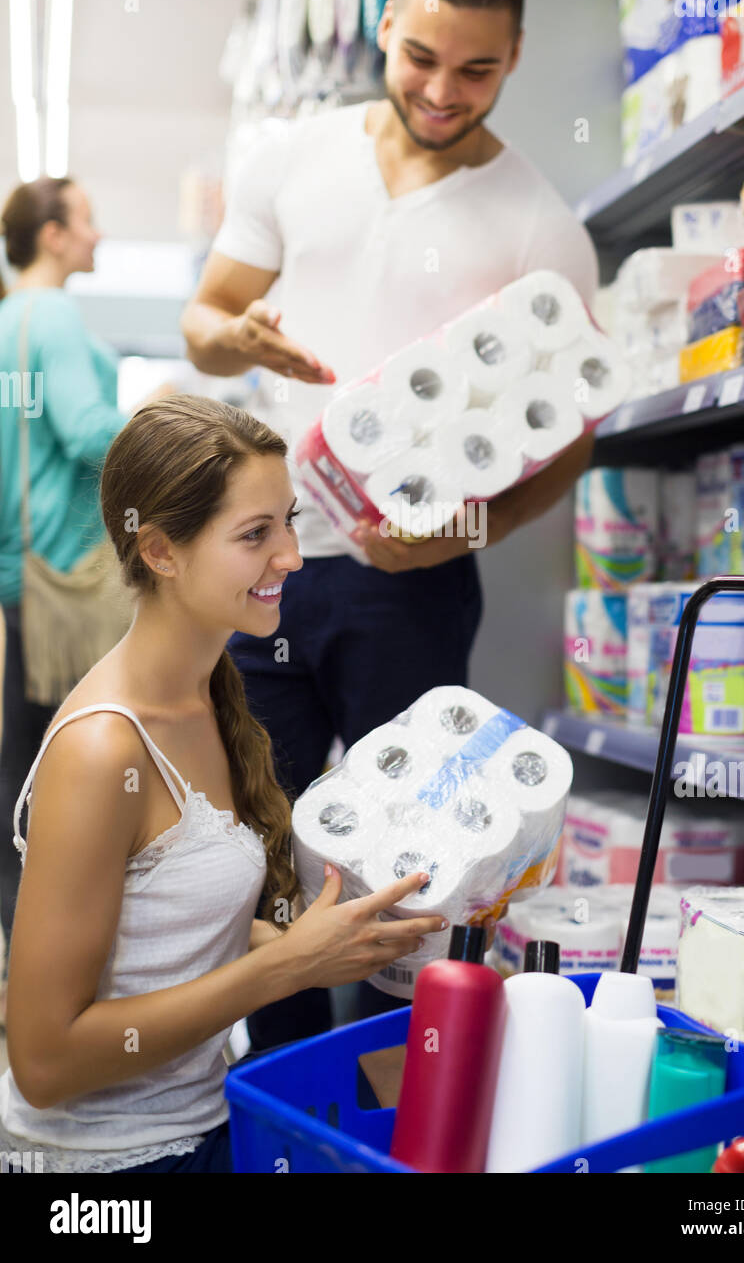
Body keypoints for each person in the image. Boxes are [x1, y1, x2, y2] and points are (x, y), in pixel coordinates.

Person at [182, 0, 598, 1046]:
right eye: (420, 57)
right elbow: (205, 318)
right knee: (262, 849)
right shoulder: (291, 157)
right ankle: (283, 1097)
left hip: (405, 585)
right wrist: (240, 338)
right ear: (382, 28)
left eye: (476, 69)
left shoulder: (539, 227)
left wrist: (467, 525)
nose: (440, 90)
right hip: (262, 567)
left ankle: (379, 1118)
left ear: (514, 56)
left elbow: (567, 442)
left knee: (409, 866)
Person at [0, 394, 446, 1173]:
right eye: (255, 535)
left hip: (205, 1123)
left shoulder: (211, 696)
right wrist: (287, 966)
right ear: (162, 552)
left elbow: (171, 930)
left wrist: (345, 944)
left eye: (290, 521)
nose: (294, 558)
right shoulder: (105, 751)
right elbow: (42, 1062)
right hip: (111, 1172)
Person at [0, 177, 126, 1022]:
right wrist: (186, 429)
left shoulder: (8, 320)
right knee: (79, 777)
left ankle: (25, 967)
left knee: (20, 774)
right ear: (51, 235)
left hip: (18, 578)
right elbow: (85, 430)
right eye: (86, 218)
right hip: (69, 580)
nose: (98, 231)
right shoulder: (56, 318)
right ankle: (76, 978)